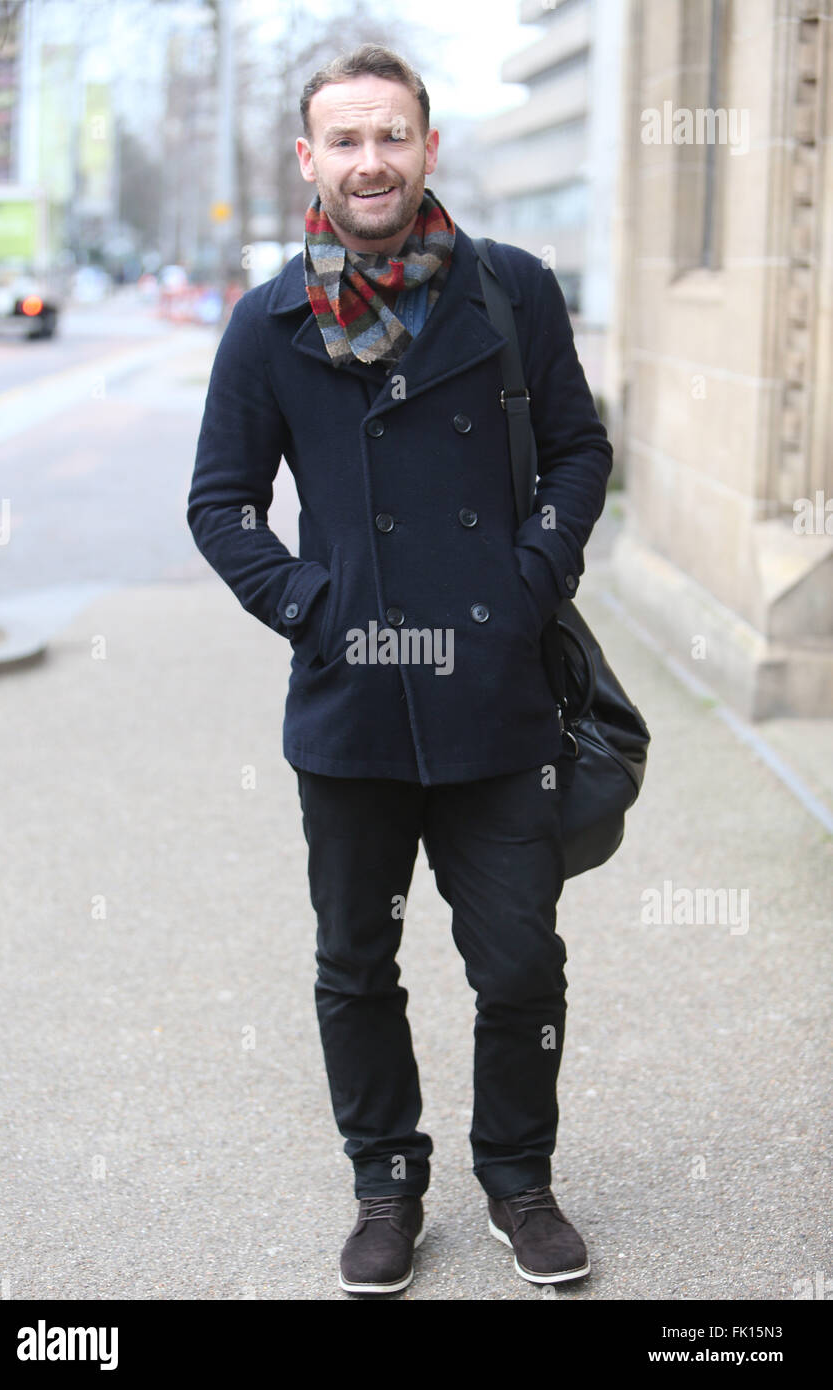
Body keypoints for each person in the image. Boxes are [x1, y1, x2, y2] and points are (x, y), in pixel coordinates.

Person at [187, 43, 612, 1295]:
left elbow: (582, 453)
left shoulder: (510, 292)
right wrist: (312, 607)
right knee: (353, 963)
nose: (371, 161)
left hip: (496, 694)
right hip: (355, 701)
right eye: (346, 140)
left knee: (520, 962)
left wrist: (533, 578)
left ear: (429, 146)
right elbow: (221, 505)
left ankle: (518, 1180)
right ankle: (385, 1181)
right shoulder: (267, 322)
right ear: (309, 160)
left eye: (393, 136)